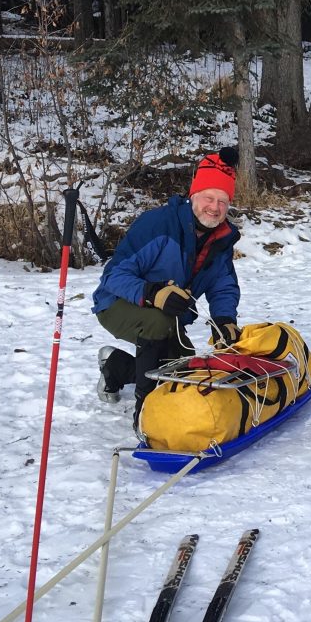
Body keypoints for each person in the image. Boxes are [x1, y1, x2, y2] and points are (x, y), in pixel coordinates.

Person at [92, 147, 242, 432]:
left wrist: (225, 319)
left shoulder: (221, 238)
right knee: (157, 325)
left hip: (169, 317)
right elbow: (114, 275)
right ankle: (146, 413)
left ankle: (115, 366)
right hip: (116, 303)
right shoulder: (159, 224)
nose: (215, 207)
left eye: (223, 201)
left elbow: (223, 283)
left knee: (180, 370)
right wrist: (153, 293)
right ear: (194, 195)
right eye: (209, 198)